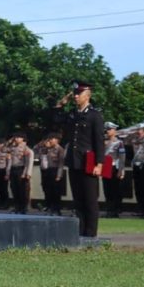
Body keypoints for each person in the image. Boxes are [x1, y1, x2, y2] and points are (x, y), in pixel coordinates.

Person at [54, 81, 105, 238]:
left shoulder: (95, 115)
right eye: (74, 93)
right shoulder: (73, 114)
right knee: (78, 200)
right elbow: (55, 119)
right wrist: (61, 104)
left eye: (79, 93)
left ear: (87, 95)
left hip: (89, 162)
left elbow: (98, 141)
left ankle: (91, 234)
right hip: (74, 161)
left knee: (90, 200)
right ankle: (81, 233)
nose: (76, 96)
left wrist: (100, 164)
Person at [38, 133, 66, 215]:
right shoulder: (46, 149)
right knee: (47, 190)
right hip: (47, 171)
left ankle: (56, 209)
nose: (50, 140)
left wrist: (59, 175)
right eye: (49, 139)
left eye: (52, 139)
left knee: (56, 192)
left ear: (57, 140)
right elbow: (39, 156)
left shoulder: (60, 149)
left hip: (55, 171)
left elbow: (61, 163)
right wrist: (45, 148)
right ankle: (49, 207)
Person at [103, 122, 126, 217]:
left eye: (109, 129)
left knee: (115, 189)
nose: (107, 131)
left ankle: (115, 211)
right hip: (105, 166)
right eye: (106, 129)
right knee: (107, 190)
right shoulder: (103, 142)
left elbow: (122, 157)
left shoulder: (119, 142)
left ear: (114, 130)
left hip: (114, 167)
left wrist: (121, 170)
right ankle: (109, 210)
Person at [7, 132, 34, 214]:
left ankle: (24, 207)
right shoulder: (12, 148)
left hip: (22, 170)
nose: (16, 139)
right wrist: (8, 172)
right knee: (14, 189)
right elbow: (9, 159)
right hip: (13, 169)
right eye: (15, 137)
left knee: (23, 190)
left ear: (23, 139)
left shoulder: (26, 149)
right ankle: (17, 206)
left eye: (19, 137)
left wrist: (27, 173)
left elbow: (28, 162)